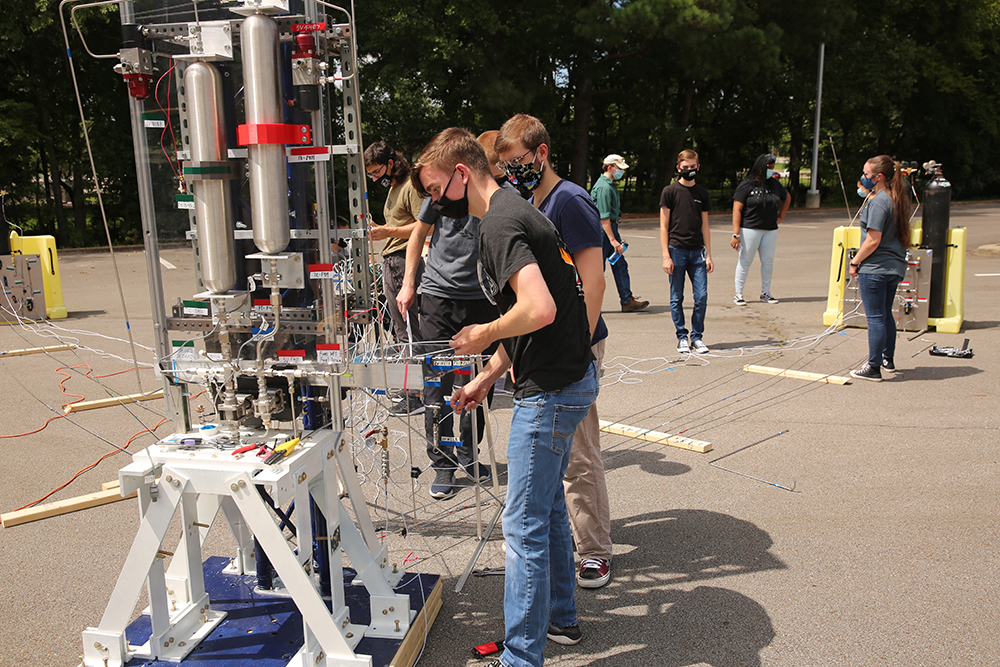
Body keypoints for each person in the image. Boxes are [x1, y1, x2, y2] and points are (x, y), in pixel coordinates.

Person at [412, 127, 598, 667]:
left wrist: (482, 333)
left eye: (434, 188)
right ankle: (562, 619)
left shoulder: (497, 224)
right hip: (566, 376)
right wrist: (484, 380)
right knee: (546, 512)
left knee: (521, 527)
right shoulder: (515, 207)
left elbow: (537, 310)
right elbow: (529, 327)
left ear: (461, 174)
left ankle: (521, 656)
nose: (432, 201)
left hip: (553, 391)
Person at [496, 114, 614, 589]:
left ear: (541, 153)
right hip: (548, 345)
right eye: (505, 166)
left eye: (518, 162)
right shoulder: (530, 200)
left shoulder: (571, 200)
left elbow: (595, 279)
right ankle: (566, 542)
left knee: (578, 452)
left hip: (575, 345)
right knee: (554, 454)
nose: (511, 173)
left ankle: (594, 551)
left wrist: (578, 349)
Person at [395, 132, 504, 499]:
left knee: (480, 382)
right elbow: (417, 235)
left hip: (482, 299)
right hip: (440, 298)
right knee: (437, 386)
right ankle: (442, 463)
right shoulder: (438, 193)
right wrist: (409, 283)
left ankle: (469, 453)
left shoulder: (494, 195)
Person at [363, 140, 424, 414]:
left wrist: (387, 233)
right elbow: (399, 224)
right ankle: (414, 387)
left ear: (391, 163)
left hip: (403, 260)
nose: (375, 178)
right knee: (401, 328)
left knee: (407, 330)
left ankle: (416, 395)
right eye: (371, 175)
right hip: (392, 261)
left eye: (377, 172)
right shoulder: (393, 189)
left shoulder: (410, 186)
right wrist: (382, 229)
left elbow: (425, 226)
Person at [849, 155, 911, 382]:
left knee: (875, 317)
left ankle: (873, 366)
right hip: (893, 266)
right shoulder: (897, 198)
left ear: (879, 176)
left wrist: (855, 262)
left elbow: (873, 240)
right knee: (885, 315)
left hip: (875, 267)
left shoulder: (879, 202)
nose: (863, 178)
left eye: (866, 174)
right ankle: (888, 359)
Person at [660, 149, 714, 354]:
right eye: (685, 168)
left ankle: (697, 337)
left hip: (697, 252)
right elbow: (664, 225)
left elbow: (705, 226)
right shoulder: (670, 192)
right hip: (676, 250)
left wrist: (708, 254)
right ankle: (682, 336)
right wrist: (666, 256)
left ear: (698, 167)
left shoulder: (702, 193)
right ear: (678, 168)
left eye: (693, 167)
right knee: (677, 297)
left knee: (701, 297)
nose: (689, 171)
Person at [590, 154, 649, 313]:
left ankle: (626, 300)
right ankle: (587, 303)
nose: (620, 172)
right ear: (610, 167)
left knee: (620, 265)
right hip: (603, 231)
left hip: (609, 230)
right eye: (618, 168)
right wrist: (613, 240)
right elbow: (604, 217)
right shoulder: (603, 187)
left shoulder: (609, 184)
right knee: (596, 270)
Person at [730, 153, 791, 305]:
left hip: (770, 229)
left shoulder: (773, 184)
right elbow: (737, 210)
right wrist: (736, 234)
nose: (770, 170)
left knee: (768, 261)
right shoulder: (747, 185)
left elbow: (787, 197)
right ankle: (738, 293)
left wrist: (780, 217)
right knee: (745, 260)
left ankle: (765, 292)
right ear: (760, 167)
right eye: (768, 167)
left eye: (772, 167)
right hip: (750, 228)